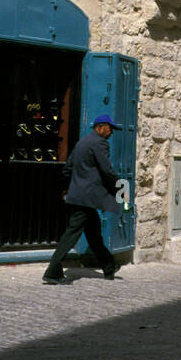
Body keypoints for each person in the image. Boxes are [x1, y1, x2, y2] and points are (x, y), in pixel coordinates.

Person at [43, 114, 121, 284]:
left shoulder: (82, 142)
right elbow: (107, 170)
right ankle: (52, 271)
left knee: (94, 235)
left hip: (78, 196)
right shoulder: (100, 143)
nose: (112, 132)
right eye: (110, 128)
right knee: (72, 233)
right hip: (88, 197)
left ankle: (109, 266)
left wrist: (66, 187)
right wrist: (120, 186)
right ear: (101, 127)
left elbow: (68, 167)